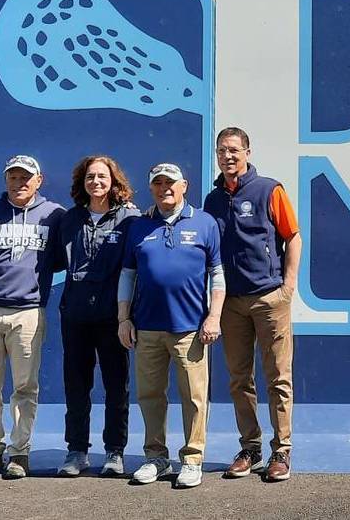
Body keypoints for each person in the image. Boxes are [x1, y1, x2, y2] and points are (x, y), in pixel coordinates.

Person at [0, 154, 65, 479]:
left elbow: (63, 258)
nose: (19, 183)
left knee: (25, 386)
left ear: (38, 180)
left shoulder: (54, 215)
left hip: (28, 311)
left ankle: (19, 452)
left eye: (25, 177)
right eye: (13, 177)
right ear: (6, 180)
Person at [203, 127, 302, 482]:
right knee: (239, 380)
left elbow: (293, 236)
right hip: (231, 303)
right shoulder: (212, 200)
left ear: (247, 152)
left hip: (269, 298)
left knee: (278, 378)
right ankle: (250, 448)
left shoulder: (269, 190)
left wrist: (288, 286)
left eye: (234, 149)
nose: (227, 156)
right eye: (221, 150)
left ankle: (281, 450)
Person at [118, 163, 225, 488]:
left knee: (194, 397)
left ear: (184, 186)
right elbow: (127, 276)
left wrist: (214, 316)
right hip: (147, 328)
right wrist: (123, 318)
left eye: (170, 183)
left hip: (190, 329)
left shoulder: (204, 222)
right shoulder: (139, 226)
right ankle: (156, 457)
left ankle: (192, 459)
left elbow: (217, 274)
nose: (164, 188)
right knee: (150, 396)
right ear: (151, 188)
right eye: (158, 183)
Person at [54, 156, 139, 477]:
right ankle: (77, 451)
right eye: (90, 177)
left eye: (102, 176)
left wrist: (127, 315)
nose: (96, 182)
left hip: (113, 316)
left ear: (113, 181)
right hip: (76, 316)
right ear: (82, 182)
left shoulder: (130, 219)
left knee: (117, 387)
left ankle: (115, 451)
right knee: (77, 386)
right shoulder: (69, 219)